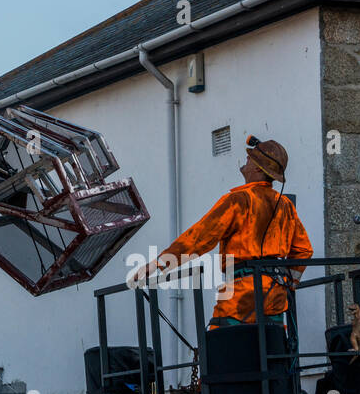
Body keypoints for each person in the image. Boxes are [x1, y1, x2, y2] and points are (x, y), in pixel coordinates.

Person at [132, 136, 313, 329]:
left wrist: (159, 263)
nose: (247, 159)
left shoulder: (238, 200)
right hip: (275, 296)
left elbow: (200, 237)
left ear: (259, 169)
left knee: (221, 339)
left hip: (242, 294)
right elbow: (303, 250)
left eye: (251, 158)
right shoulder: (285, 205)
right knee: (271, 343)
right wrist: (289, 282)